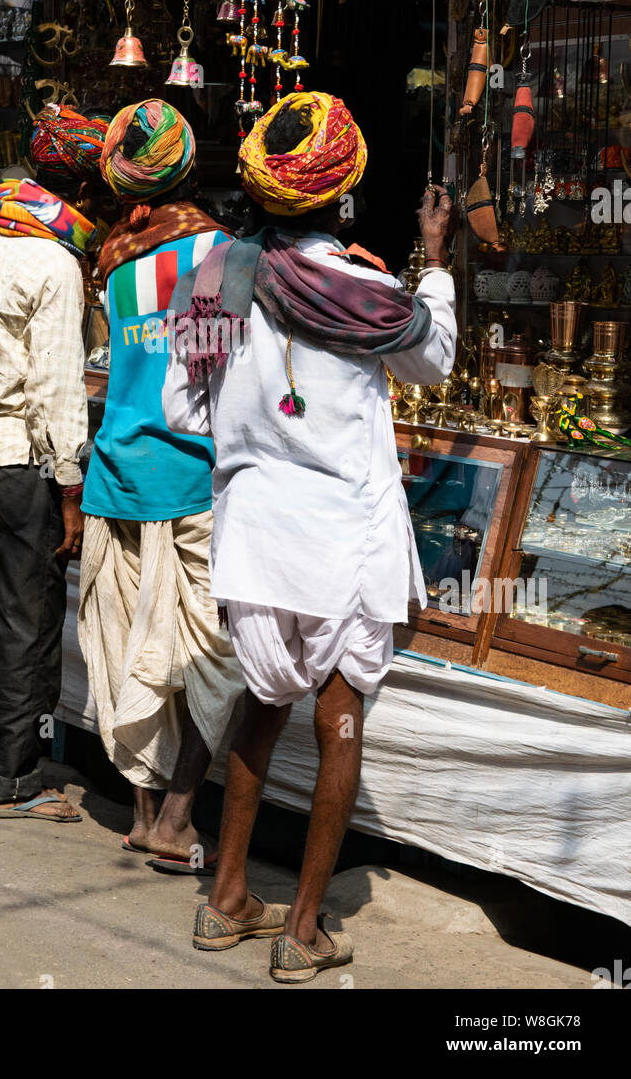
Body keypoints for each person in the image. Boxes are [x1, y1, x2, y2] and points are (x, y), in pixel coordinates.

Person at [163, 91, 456, 980]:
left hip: (251, 529)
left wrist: (255, 428)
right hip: (343, 532)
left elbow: (184, 404)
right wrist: (436, 261)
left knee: (263, 699)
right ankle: (303, 932)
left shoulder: (217, 276)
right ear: (344, 192)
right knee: (339, 716)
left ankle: (227, 901)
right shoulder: (368, 288)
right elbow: (432, 358)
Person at [79, 98, 245, 870]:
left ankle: (143, 815)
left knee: (126, 646)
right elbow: (228, 380)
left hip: (114, 470)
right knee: (210, 657)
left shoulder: (111, 259)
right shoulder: (224, 254)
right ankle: (177, 819)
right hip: (194, 476)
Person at [0, 105, 108, 822]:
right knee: (29, 616)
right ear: (84, 187)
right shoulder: (54, 260)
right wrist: (70, 486)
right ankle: (12, 777)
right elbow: (57, 391)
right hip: (22, 460)